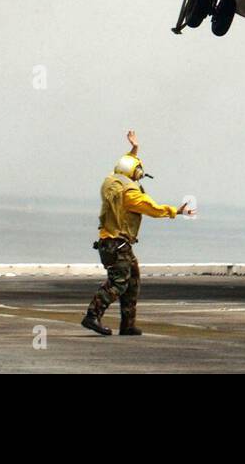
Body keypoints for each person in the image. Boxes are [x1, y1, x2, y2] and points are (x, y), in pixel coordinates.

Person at [81, 130, 196, 336]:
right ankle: (92, 315)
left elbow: (126, 165)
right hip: (118, 245)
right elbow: (151, 208)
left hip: (113, 243)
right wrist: (175, 211)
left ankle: (127, 325)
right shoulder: (130, 193)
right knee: (118, 282)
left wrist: (134, 149)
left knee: (132, 281)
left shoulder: (111, 181)